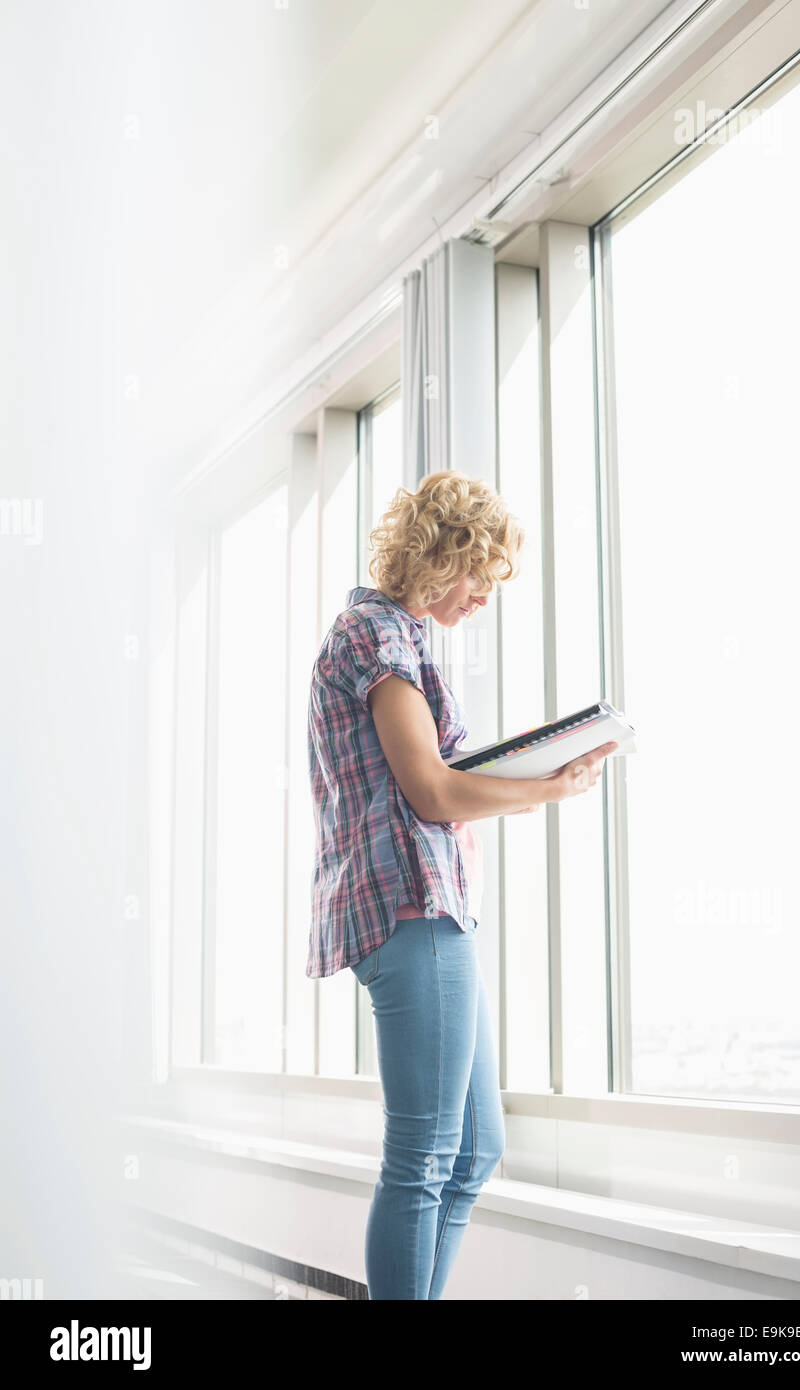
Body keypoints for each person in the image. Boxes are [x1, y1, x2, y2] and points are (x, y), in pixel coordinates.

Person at [306, 470, 617, 1300]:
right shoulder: (376, 634)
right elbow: (433, 792)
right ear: (440, 555)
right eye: (479, 573)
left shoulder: (398, 637)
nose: (484, 596)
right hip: (412, 916)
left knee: (472, 1149)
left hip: (434, 915)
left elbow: (436, 781)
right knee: (422, 1155)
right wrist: (549, 787)